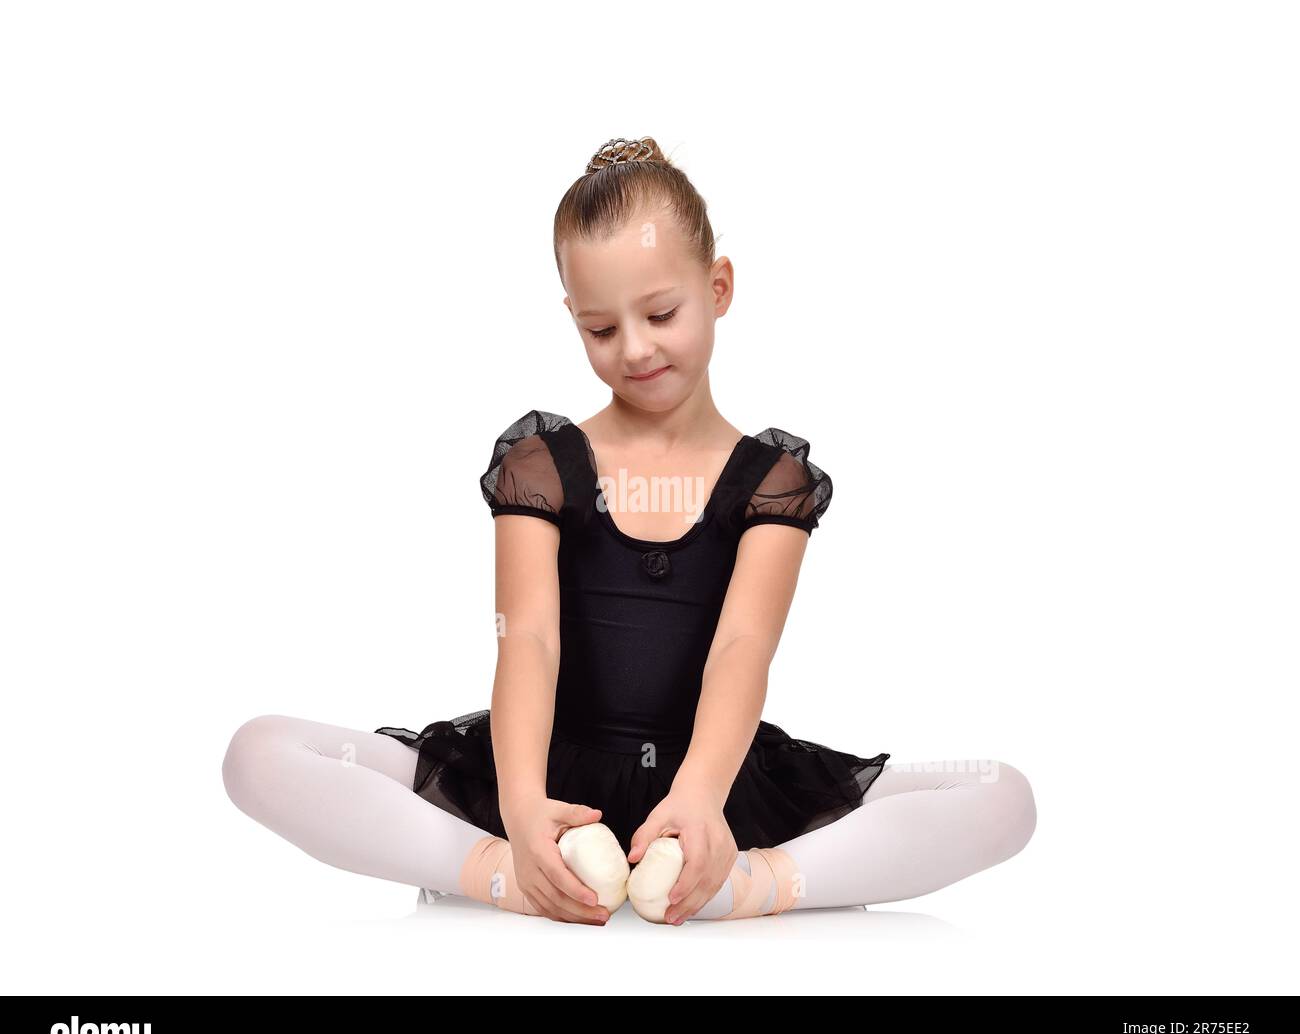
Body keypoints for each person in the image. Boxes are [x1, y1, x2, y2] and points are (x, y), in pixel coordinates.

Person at [222, 136, 1037, 926]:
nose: (636, 350)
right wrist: (520, 804)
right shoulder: (544, 465)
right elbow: (529, 638)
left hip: (713, 779)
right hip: (548, 772)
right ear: (572, 318)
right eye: (601, 330)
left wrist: (700, 796)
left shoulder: (768, 481)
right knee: (257, 753)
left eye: (661, 313)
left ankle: (745, 884)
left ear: (718, 286)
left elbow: (741, 648)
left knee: (1002, 794)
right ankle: (502, 871)